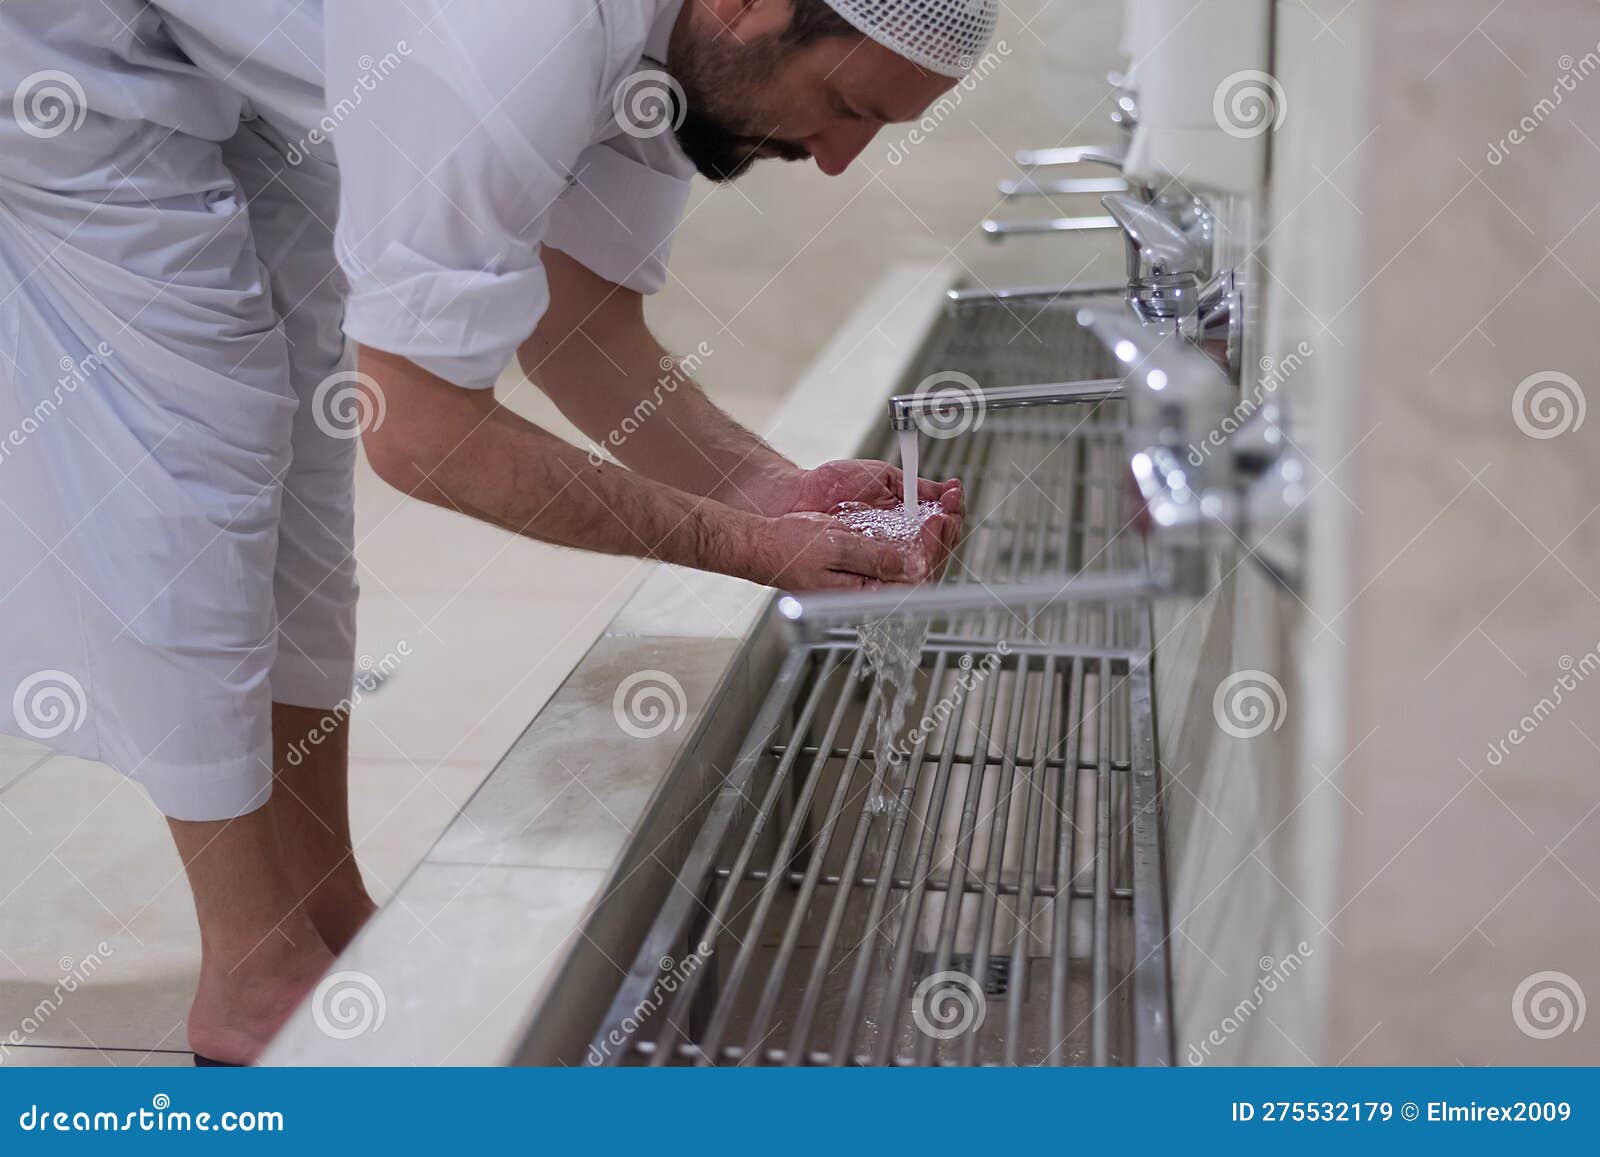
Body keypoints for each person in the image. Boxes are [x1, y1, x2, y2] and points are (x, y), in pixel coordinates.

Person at [0, 0, 998, 1063]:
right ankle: (254, 971)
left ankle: (328, 912)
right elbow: (421, 431)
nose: (837, 159)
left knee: (300, 413)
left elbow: (581, 324)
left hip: (203, 42)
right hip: (58, 35)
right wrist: (738, 546)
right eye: (846, 106)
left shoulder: (671, 56)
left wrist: (762, 488)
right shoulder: (521, 32)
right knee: (203, 425)